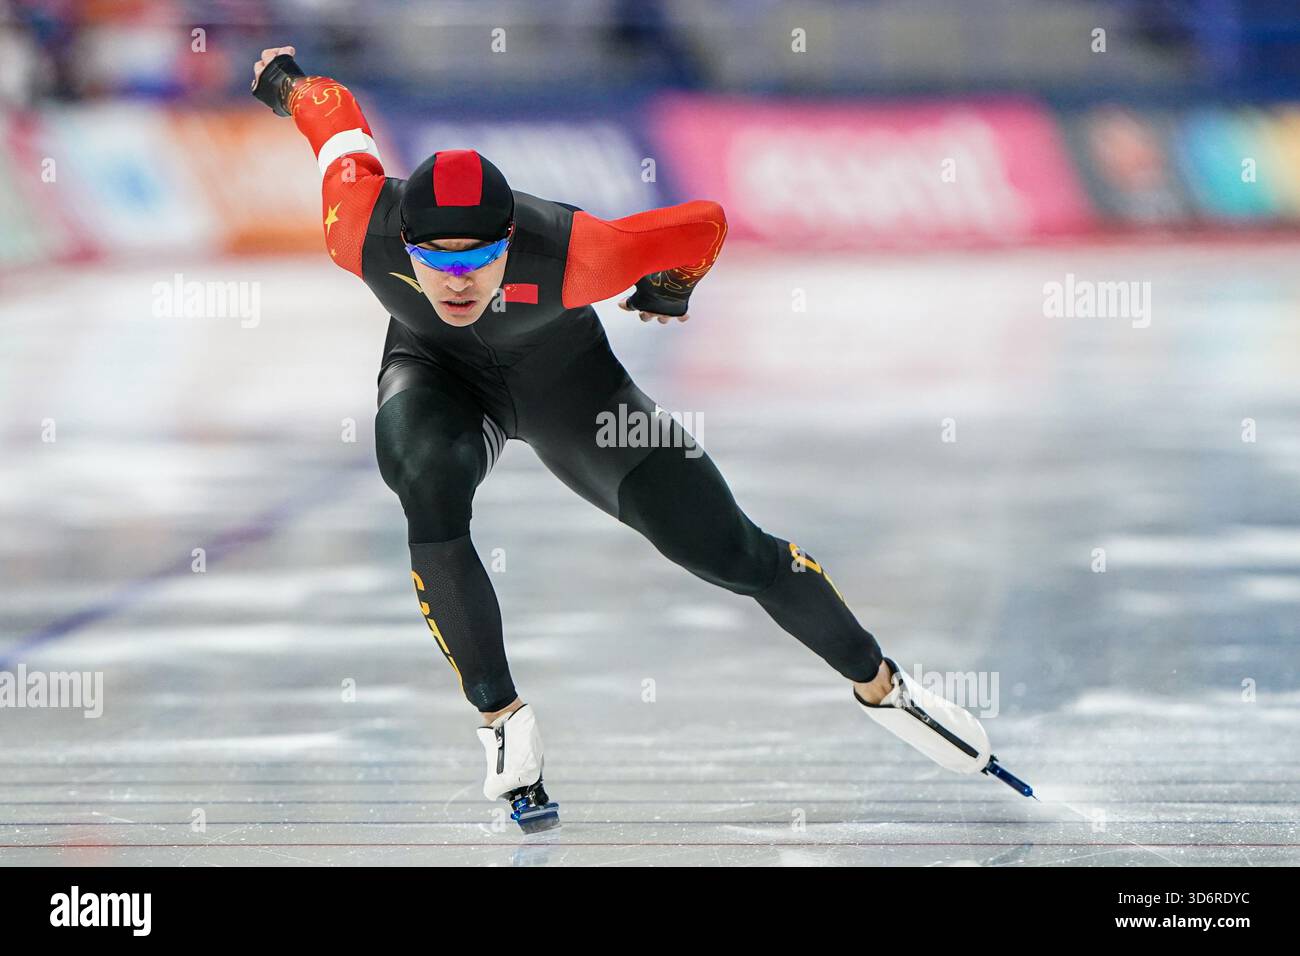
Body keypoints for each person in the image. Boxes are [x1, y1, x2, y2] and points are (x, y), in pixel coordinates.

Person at [251, 46, 1029, 832]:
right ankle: (503, 721)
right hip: (436, 381)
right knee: (423, 476)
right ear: (402, 242)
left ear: (511, 240)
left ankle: (882, 685)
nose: (458, 281)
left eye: (481, 258)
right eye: (434, 260)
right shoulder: (356, 225)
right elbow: (333, 119)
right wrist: (282, 80)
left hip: (575, 397)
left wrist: (668, 288)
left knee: (734, 553)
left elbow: (704, 224)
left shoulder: (577, 252)